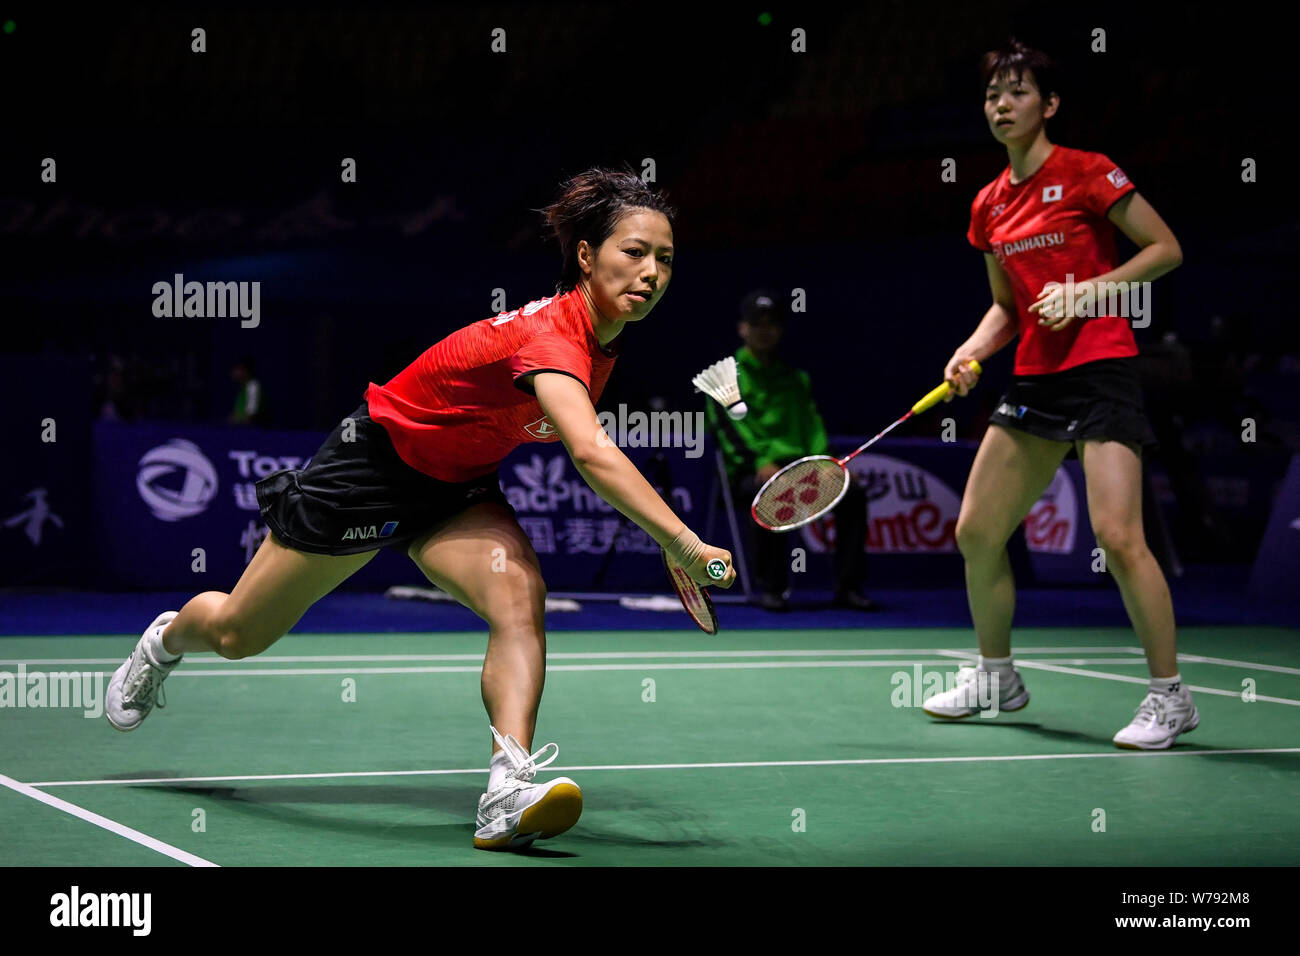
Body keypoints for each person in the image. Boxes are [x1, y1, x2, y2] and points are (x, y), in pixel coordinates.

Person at [104, 168, 736, 850]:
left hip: (457, 489)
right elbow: (590, 452)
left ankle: (507, 786)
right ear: (586, 257)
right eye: (633, 252)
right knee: (238, 634)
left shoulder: (599, 340)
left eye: (664, 258)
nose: (651, 272)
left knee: (520, 598)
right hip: (373, 469)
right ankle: (166, 639)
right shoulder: (554, 340)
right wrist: (684, 542)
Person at [923, 40, 1189, 749]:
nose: (1001, 105)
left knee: (1117, 534)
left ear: (1050, 104)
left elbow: (1164, 249)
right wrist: (972, 351)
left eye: (1016, 92)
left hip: (1101, 366)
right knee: (977, 531)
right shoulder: (989, 204)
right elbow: (1008, 307)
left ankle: (1170, 697)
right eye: (991, 96)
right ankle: (996, 675)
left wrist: (1089, 291)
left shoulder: (1087, 172)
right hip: (1036, 377)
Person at [707, 290, 872, 611]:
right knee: (771, 492)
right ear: (742, 328)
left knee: (853, 494)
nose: (764, 330)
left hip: (801, 467)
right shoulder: (725, 378)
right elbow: (728, 432)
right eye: (757, 324)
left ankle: (848, 587)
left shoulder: (796, 379)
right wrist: (760, 460)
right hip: (751, 471)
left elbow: (813, 425)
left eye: (772, 323)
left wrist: (826, 462)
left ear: (780, 330)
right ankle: (773, 587)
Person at [228, 356, 266, 426]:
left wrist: (236, 419)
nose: (233, 372)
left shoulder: (253, 387)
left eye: (237, 369)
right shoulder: (243, 389)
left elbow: (251, 415)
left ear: (245, 370)